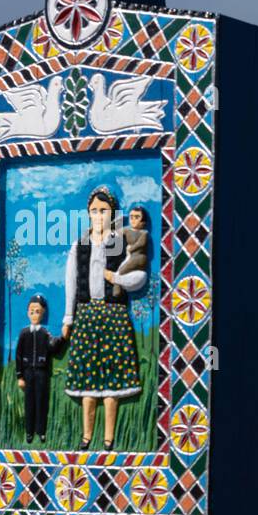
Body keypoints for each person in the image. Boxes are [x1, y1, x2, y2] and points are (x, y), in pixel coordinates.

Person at [63, 186, 147, 451]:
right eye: (94, 211)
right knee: (87, 383)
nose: (99, 216)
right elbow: (70, 283)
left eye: (104, 211)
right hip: (87, 315)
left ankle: (109, 439)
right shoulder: (79, 245)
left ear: (112, 214)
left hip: (114, 315)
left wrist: (117, 278)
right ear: (88, 214)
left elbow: (139, 276)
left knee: (112, 384)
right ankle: (86, 437)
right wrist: (68, 317)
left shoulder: (122, 243)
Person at [15, 294, 63, 445]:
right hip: (28, 372)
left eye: (38, 311)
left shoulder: (44, 333)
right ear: (28, 312)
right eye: (32, 311)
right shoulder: (24, 333)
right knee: (29, 402)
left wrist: (62, 338)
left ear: (43, 313)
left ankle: (41, 431)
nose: (34, 315)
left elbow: (52, 347)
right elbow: (18, 355)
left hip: (42, 372)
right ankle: (29, 432)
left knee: (41, 401)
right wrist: (19, 376)